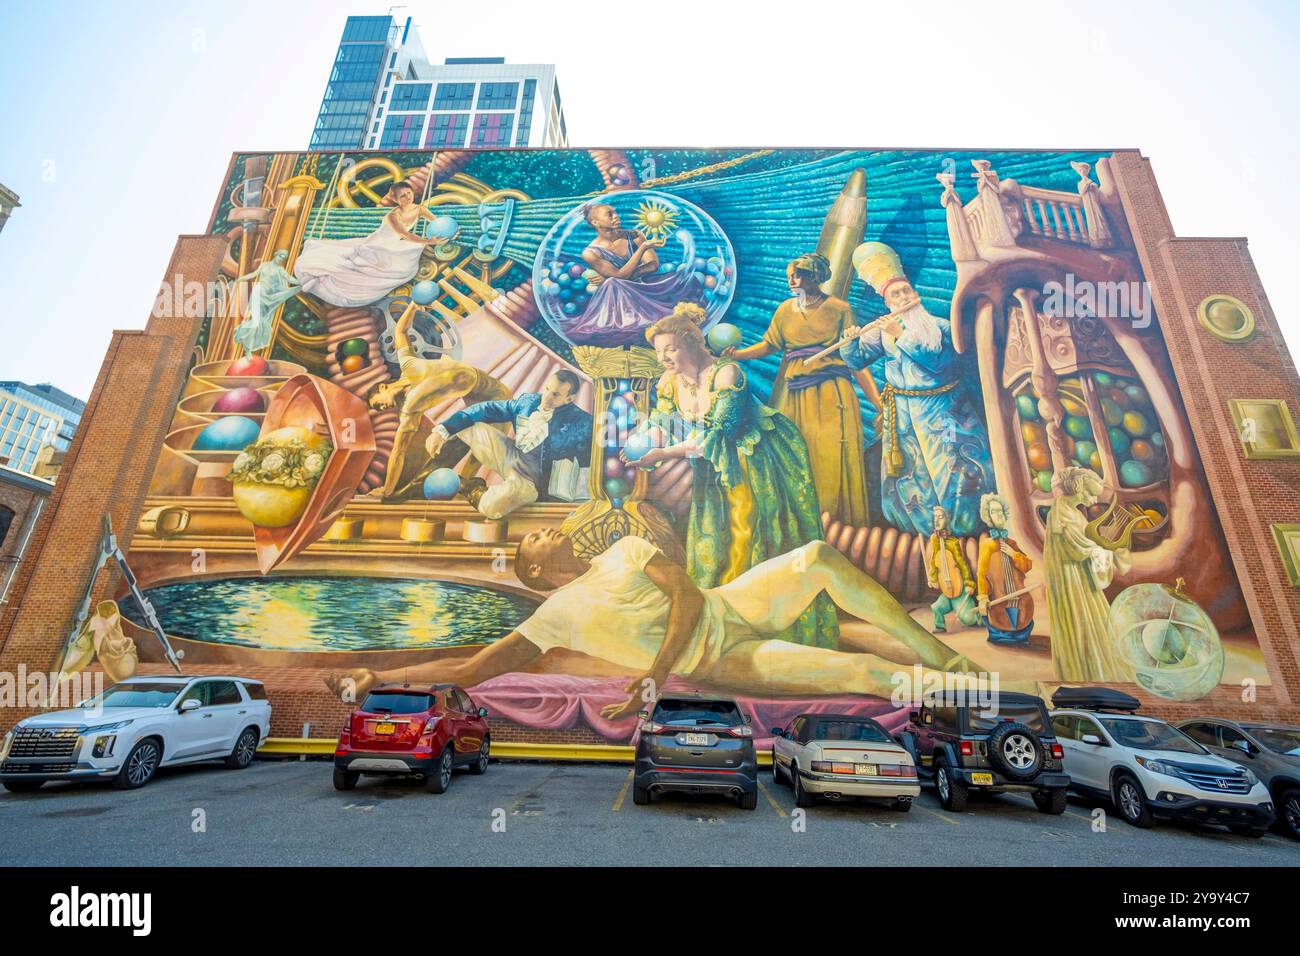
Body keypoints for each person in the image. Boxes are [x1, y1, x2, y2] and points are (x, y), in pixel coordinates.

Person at [325, 531, 984, 719]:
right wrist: (381, 673)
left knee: (816, 559)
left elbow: (692, 600)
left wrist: (655, 672)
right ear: (537, 569)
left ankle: (945, 657)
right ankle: (968, 692)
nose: (550, 530)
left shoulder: (624, 548)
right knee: (868, 675)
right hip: (723, 663)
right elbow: (471, 671)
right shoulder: (553, 615)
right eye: (537, 540)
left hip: (731, 607)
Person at [631, 303, 837, 649]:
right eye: (659, 352)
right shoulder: (669, 383)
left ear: (693, 344)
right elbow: (662, 423)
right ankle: (721, 621)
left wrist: (664, 454)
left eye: (670, 349)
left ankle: (760, 626)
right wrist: (641, 446)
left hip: (754, 462)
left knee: (748, 534)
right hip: (713, 466)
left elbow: (720, 432)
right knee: (714, 537)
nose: (663, 358)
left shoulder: (727, 374)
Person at [840, 241, 994, 536]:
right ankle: (925, 529)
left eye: (904, 292)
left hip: (944, 410)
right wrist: (850, 342)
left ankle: (966, 527)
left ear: (915, 294)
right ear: (887, 303)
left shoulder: (941, 326)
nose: (901, 298)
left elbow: (942, 363)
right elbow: (857, 360)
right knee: (913, 474)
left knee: (952, 467)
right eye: (894, 295)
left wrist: (901, 337)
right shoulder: (883, 331)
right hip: (905, 416)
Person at [723, 252, 869, 525]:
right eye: (790, 275)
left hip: (831, 392)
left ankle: (835, 522)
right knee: (793, 451)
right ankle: (798, 523)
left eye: (798, 274)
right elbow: (769, 345)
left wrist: (878, 401)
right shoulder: (784, 310)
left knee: (829, 454)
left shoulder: (840, 309)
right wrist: (738, 355)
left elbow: (855, 359)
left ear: (815, 277)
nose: (792, 279)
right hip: (794, 393)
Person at [366, 298, 511, 500]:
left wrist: (413, 306)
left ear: (382, 386)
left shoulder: (408, 365)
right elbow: (398, 451)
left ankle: (458, 490)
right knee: (472, 458)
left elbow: (400, 331)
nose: (383, 407)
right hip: (478, 403)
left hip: (498, 397)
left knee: (480, 454)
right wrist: (387, 490)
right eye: (381, 409)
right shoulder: (410, 410)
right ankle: (449, 494)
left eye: (378, 403)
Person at [425, 370, 592, 519]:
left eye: (555, 394)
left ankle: (470, 486)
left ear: (569, 398)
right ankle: (433, 470)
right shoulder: (527, 402)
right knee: (471, 427)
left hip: (530, 482)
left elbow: (596, 454)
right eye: (547, 389)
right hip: (509, 455)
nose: (546, 397)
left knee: (490, 508)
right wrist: (442, 431)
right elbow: (487, 409)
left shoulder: (582, 422)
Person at [562, 202, 702, 346]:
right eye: (609, 214)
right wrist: (642, 249)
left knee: (683, 278)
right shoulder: (590, 252)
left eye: (615, 212)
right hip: (616, 293)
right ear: (595, 222)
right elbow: (619, 276)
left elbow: (653, 265)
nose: (616, 216)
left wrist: (617, 276)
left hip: (642, 284)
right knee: (613, 283)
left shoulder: (634, 235)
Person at [1043, 467, 1134, 682]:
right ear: (1078, 489)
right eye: (1091, 494)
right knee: (1081, 621)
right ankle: (1086, 671)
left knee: (1094, 621)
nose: (1094, 500)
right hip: (1071, 579)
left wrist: (1105, 546)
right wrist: (1112, 551)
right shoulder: (1062, 514)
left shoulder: (1071, 511)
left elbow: (1086, 543)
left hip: (1079, 576)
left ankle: (1093, 668)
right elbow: (1080, 549)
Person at [293, 181, 437, 308]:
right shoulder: (393, 215)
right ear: (395, 199)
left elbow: (435, 221)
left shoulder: (420, 209)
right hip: (378, 243)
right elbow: (404, 234)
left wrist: (440, 231)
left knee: (406, 266)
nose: (408, 197)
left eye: (409, 193)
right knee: (362, 266)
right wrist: (429, 241)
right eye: (402, 196)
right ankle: (330, 282)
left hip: (394, 244)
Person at [975, 493, 1035, 645]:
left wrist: (1014, 555)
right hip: (998, 598)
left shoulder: (1012, 543)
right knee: (992, 617)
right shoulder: (987, 545)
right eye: (994, 512)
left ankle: (1019, 634)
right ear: (988, 516)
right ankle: (1002, 635)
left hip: (1018, 595)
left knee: (1026, 620)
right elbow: (981, 574)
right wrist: (983, 597)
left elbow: (1027, 566)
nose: (999, 515)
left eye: (1000, 511)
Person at [233, 250, 300, 355]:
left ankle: (245, 340)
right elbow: (254, 274)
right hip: (258, 293)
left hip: (268, 298)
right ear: (275, 255)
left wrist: (301, 282)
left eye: (284, 257)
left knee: (262, 322)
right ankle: (248, 348)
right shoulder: (264, 265)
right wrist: (242, 278)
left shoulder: (280, 269)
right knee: (256, 320)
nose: (281, 258)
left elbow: (290, 279)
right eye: (280, 256)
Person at [926, 506, 979, 632]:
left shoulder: (953, 542)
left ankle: (978, 616)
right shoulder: (934, 539)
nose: (936, 521)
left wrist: (969, 584)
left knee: (969, 619)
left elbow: (962, 565)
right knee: (936, 608)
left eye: (940, 517)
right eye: (935, 517)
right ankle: (940, 627)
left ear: (947, 520)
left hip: (959, 590)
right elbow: (934, 562)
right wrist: (933, 578)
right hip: (946, 591)